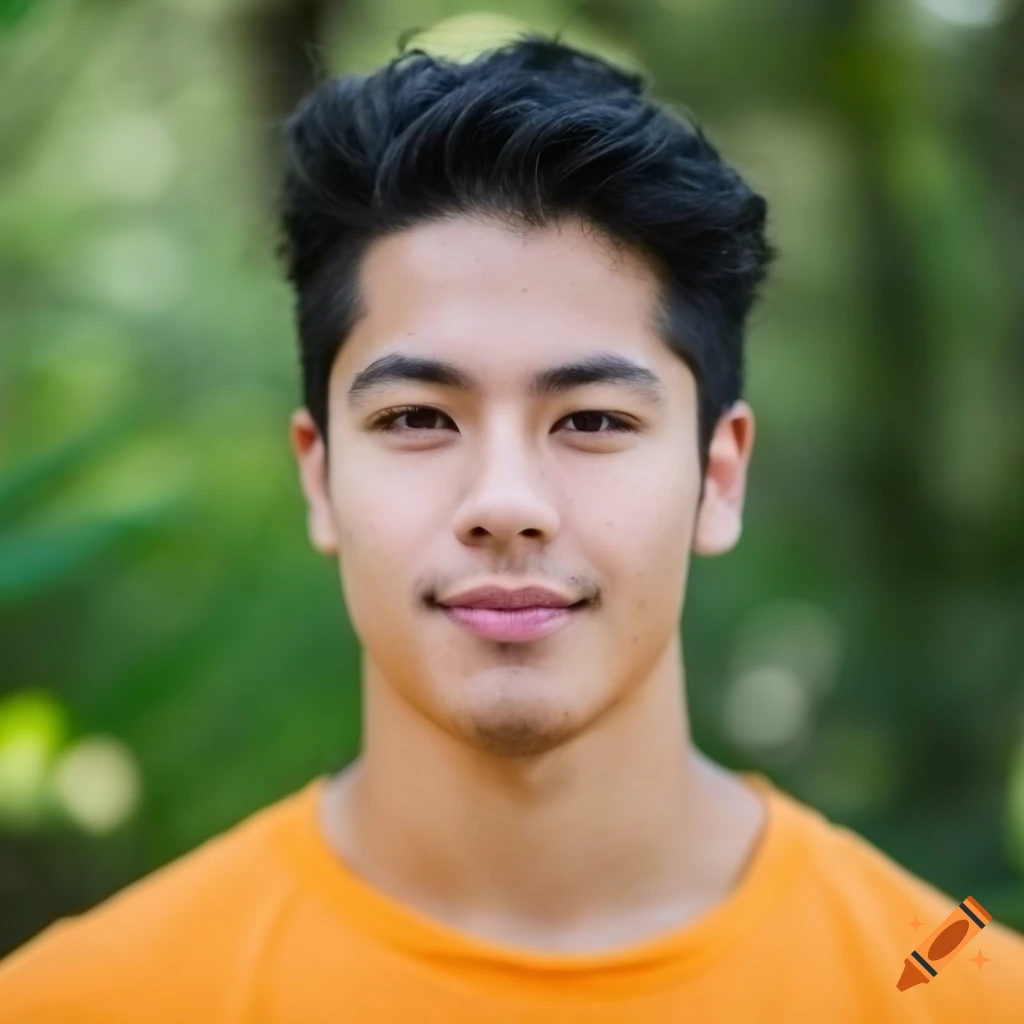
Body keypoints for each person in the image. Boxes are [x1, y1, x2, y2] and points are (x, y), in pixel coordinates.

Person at [1, 32, 1023, 1023]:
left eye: (591, 420)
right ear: (319, 476)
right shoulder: (82, 1003)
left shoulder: (960, 992)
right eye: (416, 419)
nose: (505, 501)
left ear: (716, 476)